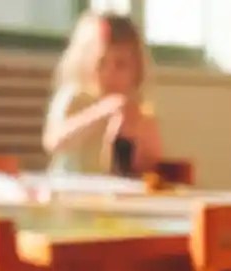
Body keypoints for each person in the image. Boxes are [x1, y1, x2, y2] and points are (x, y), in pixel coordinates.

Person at [43, 12, 162, 176]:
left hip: (114, 194)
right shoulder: (75, 97)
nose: (109, 73)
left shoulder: (138, 109)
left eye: (121, 65)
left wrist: (138, 135)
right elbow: (53, 141)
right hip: (69, 192)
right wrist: (100, 112)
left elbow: (152, 160)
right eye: (101, 63)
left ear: (136, 68)